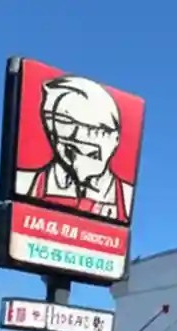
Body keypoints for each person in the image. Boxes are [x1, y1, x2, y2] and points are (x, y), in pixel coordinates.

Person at [15, 75, 135, 222]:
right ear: (52, 132)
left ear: (116, 138)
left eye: (97, 130)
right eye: (68, 124)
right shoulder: (24, 184)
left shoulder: (127, 197)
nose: (80, 137)